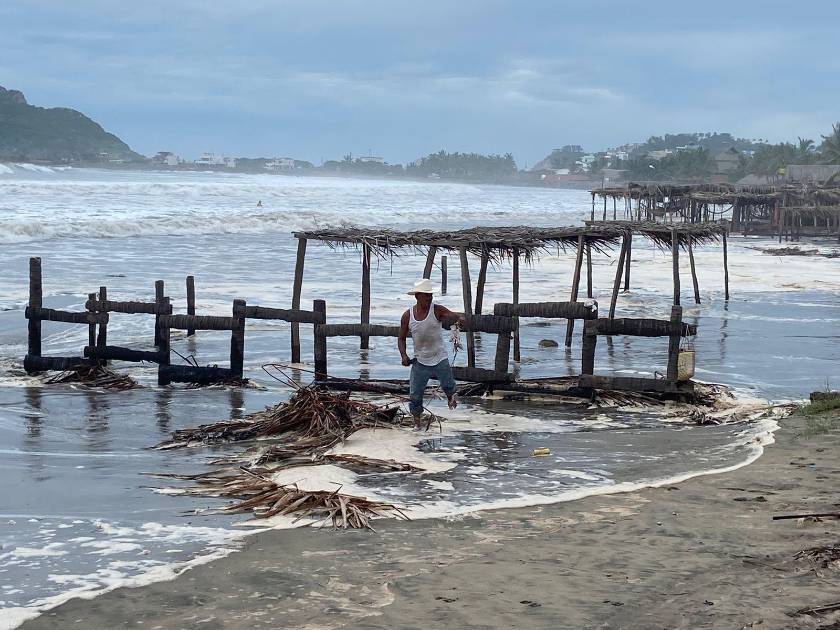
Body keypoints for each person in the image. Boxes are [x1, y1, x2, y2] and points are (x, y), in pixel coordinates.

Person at [398, 278, 464, 430]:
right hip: (420, 360)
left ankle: (450, 397)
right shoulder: (407, 316)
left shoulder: (437, 310)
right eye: (426, 295)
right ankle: (417, 424)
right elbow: (401, 338)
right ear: (417, 296)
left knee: (449, 385)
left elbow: (453, 316)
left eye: (431, 295)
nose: (430, 298)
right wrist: (403, 355)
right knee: (415, 394)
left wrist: (460, 320)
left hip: (439, 356)